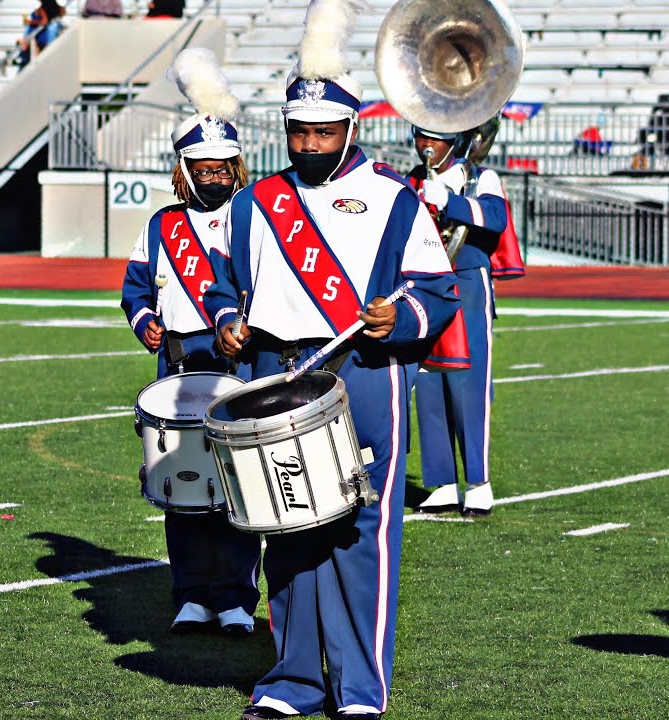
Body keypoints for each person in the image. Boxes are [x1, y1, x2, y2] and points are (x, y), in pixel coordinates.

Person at [203, 15, 462, 714]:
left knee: (358, 537)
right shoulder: (257, 201)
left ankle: (357, 690)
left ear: (349, 127)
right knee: (284, 529)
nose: (310, 144)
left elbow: (438, 292)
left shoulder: (392, 198)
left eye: (323, 131)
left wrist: (397, 319)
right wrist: (227, 321)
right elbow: (223, 282)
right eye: (299, 131)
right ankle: (291, 682)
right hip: (274, 376)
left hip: (361, 376)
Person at [120, 48, 262, 635]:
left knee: (235, 485)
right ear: (184, 171)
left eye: (221, 168)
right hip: (177, 362)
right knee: (182, 482)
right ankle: (191, 592)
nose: (213, 178)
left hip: (235, 362)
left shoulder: (255, 216)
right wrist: (144, 319)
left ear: (235, 168)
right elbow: (133, 289)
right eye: (202, 170)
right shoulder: (160, 225)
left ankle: (234, 595)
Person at [407, 124, 524, 516]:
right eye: (420, 137)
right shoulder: (411, 180)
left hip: (468, 284)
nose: (426, 146)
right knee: (429, 385)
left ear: (453, 141)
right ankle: (441, 481)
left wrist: (450, 202)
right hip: (424, 287)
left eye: (435, 139)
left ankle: (478, 482)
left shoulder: (480, 177)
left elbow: (495, 218)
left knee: (469, 387)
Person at [16, 0, 64, 67]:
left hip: (38, 33)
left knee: (29, 45)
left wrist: (30, 22)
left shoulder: (41, 9)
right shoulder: (55, 10)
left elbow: (44, 21)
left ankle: (24, 57)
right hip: (38, 33)